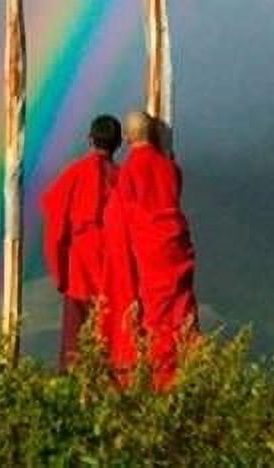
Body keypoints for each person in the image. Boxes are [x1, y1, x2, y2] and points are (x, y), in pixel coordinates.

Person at [104, 109, 199, 389]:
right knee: (182, 316)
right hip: (175, 251)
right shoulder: (170, 168)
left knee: (156, 323)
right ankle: (189, 378)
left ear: (125, 137)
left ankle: (161, 386)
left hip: (149, 256)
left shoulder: (130, 171)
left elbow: (119, 220)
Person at [39, 114, 123, 371]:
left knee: (75, 352)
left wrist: (59, 274)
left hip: (79, 275)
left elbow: (55, 227)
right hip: (113, 277)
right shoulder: (123, 179)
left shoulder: (73, 175)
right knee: (110, 350)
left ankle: (75, 404)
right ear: (119, 143)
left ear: (89, 139)